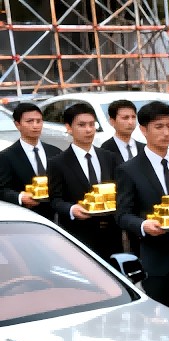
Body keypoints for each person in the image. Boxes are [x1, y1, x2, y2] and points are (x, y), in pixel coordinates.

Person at [115, 100, 169, 318]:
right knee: (159, 319)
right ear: (144, 130)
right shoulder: (129, 170)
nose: (166, 133)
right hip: (157, 258)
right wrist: (144, 225)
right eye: (159, 127)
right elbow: (123, 215)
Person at [47, 102, 121, 261]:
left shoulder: (109, 157)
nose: (88, 130)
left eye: (92, 124)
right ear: (69, 127)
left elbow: (119, 190)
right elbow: (55, 200)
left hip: (111, 233)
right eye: (81, 125)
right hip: (79, 234)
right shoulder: (58, 163)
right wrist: (72, 209)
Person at [0, 102, 59, 220]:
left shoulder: (55, 152)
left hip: (56, 217)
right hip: (27, 217)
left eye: (39, 121)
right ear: (17, 124)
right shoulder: (6, 156)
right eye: (30, 121)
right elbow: (2, 189)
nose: (35, 126)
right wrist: (20, 197)